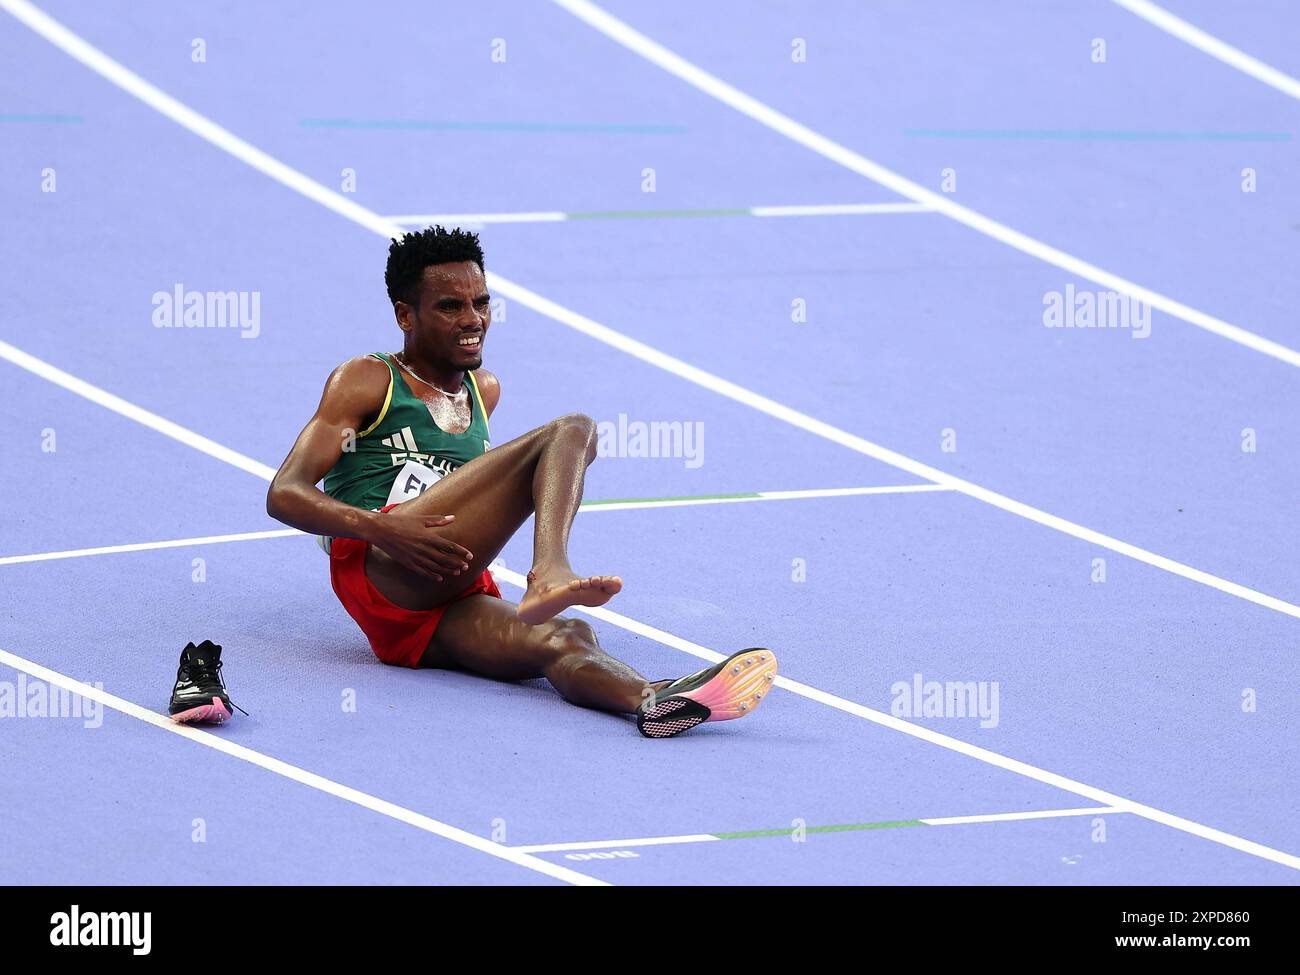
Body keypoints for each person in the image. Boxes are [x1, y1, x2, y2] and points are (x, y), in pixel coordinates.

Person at [265, 226, 776, 737]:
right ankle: (549, 570)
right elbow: (284, 493)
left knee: (566, 636)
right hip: (383, 565)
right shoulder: (368, 379)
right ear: (405, 315)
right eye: (449, 307)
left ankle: (652, 699)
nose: (473, 320)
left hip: (435, 604)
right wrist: (381, 529)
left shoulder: (483, 392)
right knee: (572, 430)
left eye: (481, 303)